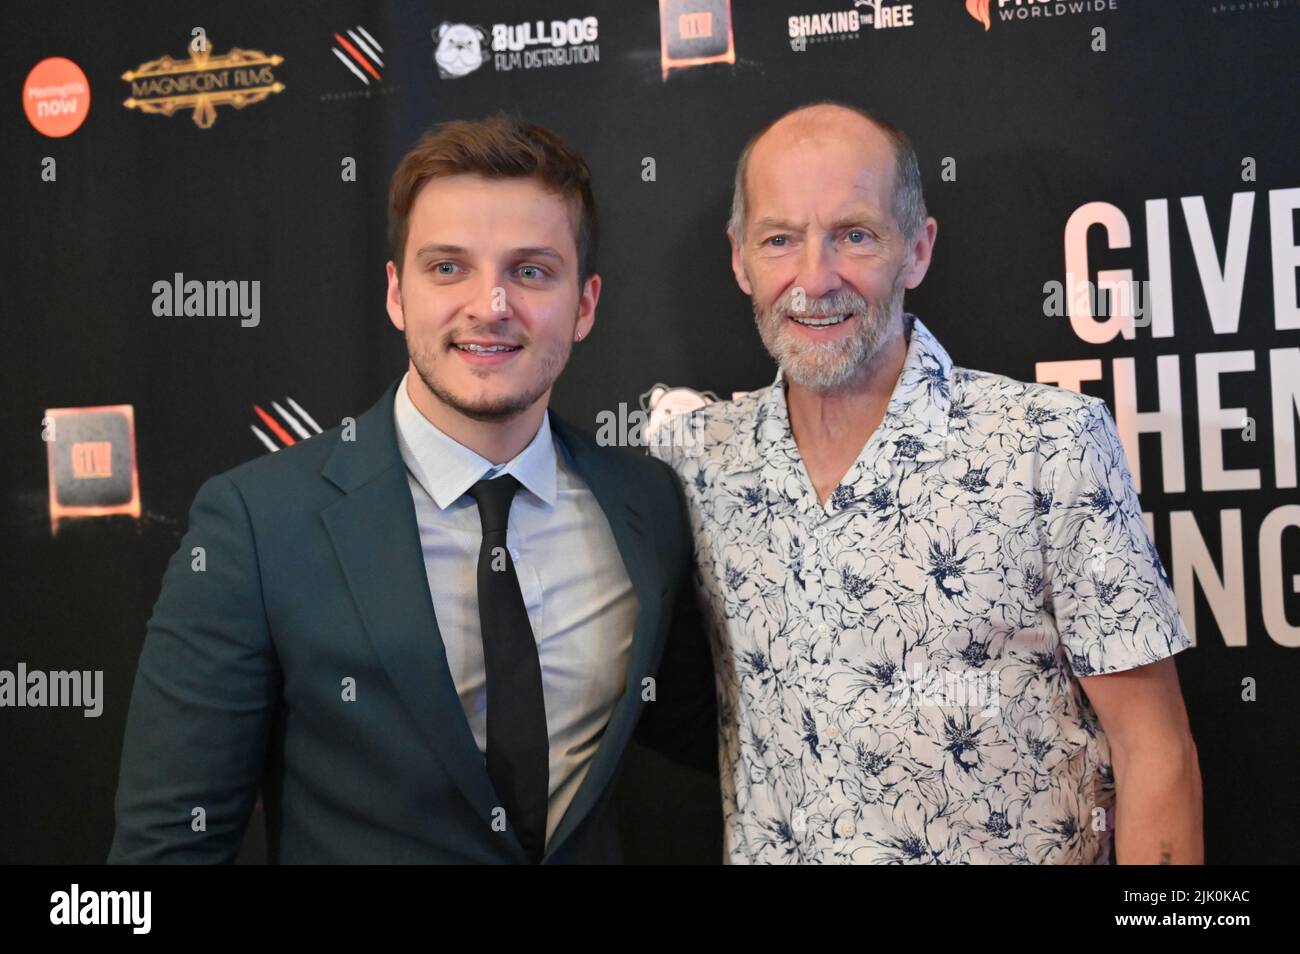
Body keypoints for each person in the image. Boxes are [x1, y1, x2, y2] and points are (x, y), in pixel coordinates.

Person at [109, 115, 713, 864]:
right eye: (448, 267)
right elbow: (167, 848)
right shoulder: (257, 527)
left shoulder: (646, 505)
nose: (491, 305)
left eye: (530, 270)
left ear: (585, 304)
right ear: (397, 293)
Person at [649, 101, 1202, 864]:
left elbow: (1156, 753)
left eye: (855, 236)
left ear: (916, 250)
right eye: (781, 239)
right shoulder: (698, 460)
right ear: (741, 258)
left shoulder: (1049, 444)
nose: (815, 278)